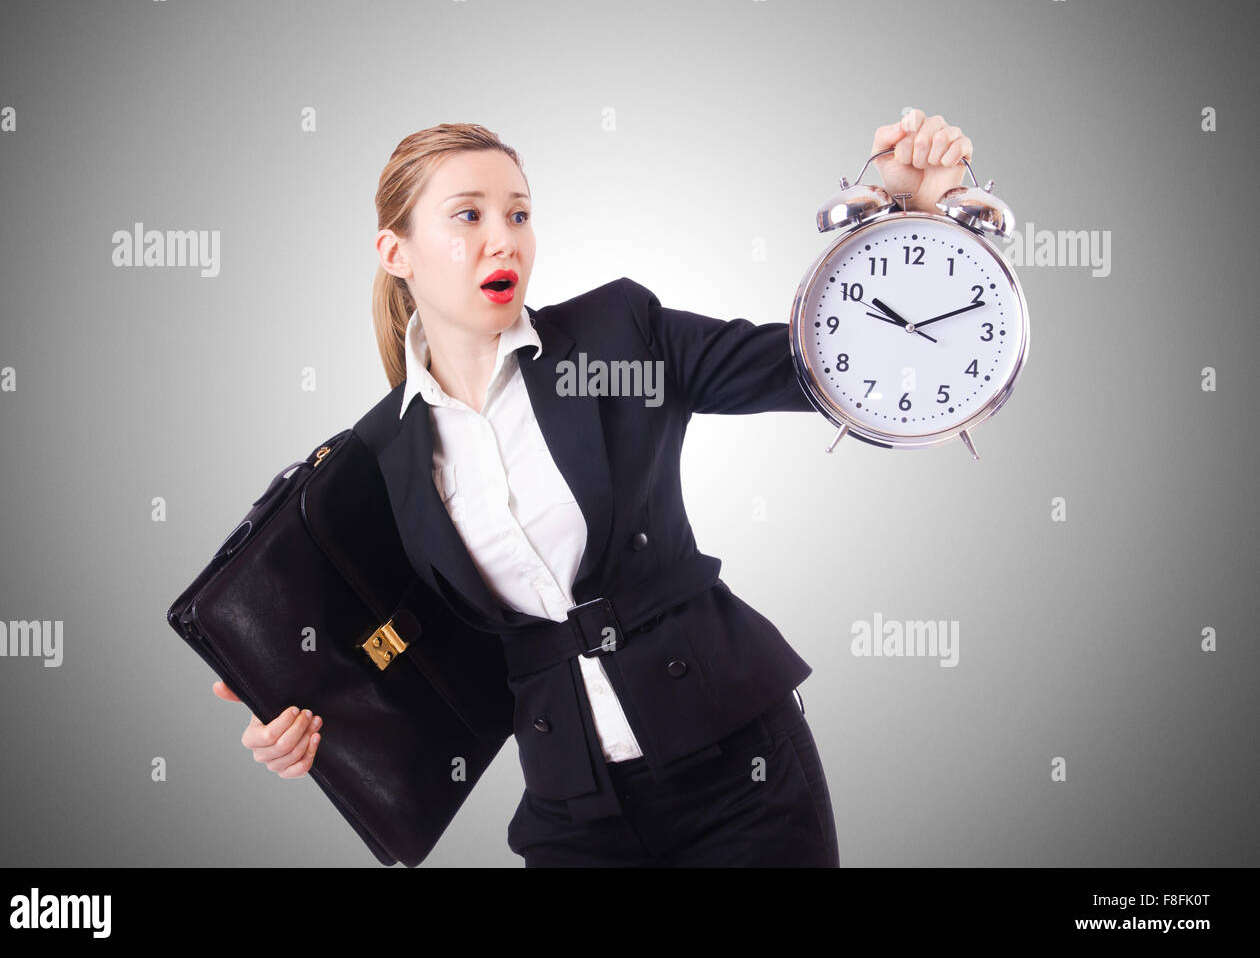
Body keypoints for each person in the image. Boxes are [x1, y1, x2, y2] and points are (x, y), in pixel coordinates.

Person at [213, 110, 975, 866]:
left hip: (741, 774)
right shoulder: (377, 454)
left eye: (518, 213)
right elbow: (397, 648)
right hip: (574, 815)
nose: (503, 236)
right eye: (468, 215)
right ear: (396, 251)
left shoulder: (616, 337)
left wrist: (912, 219)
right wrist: (295, 713)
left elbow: (820, 365)